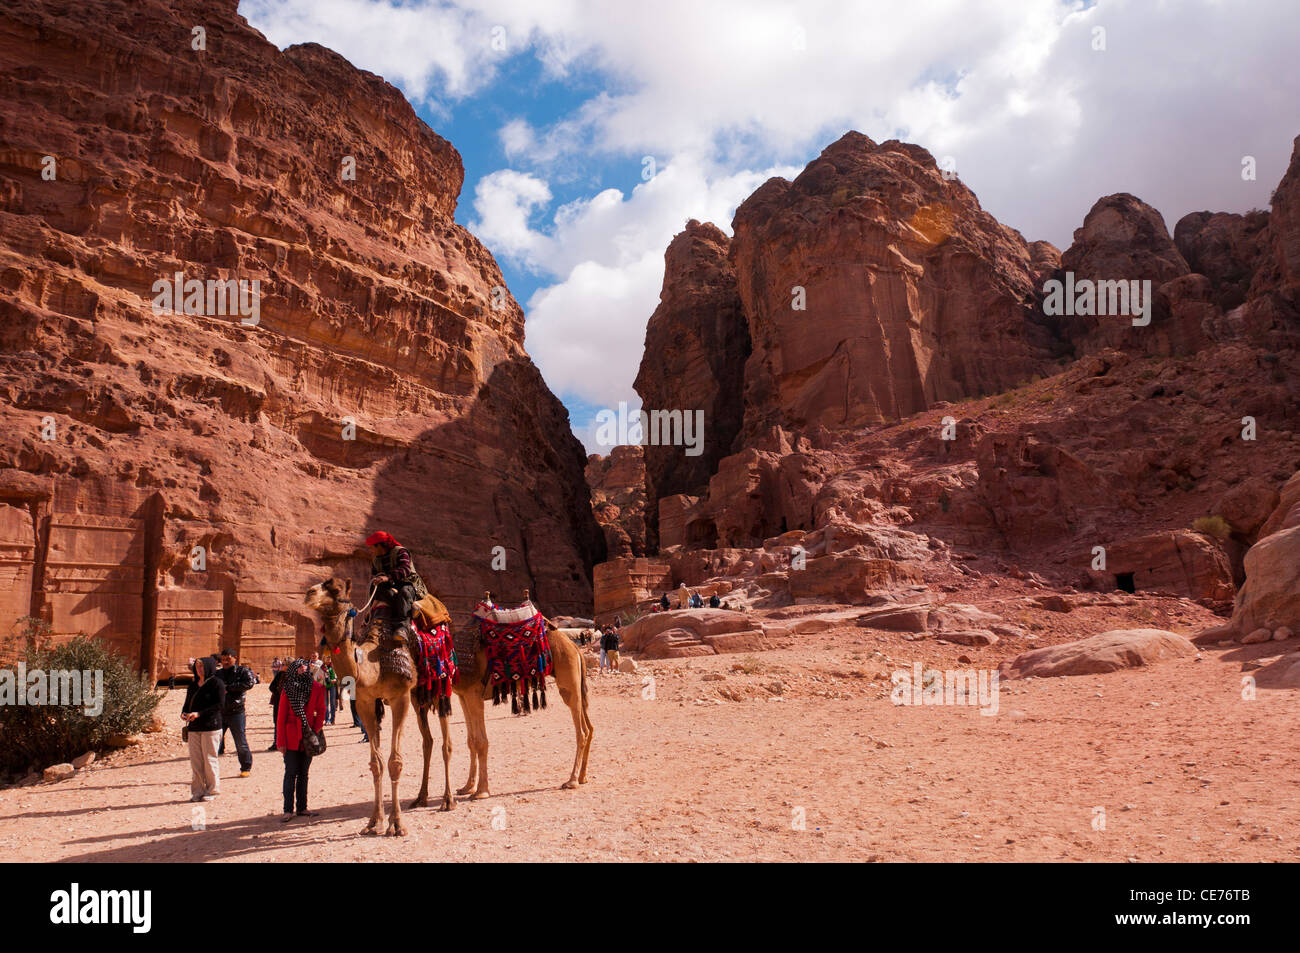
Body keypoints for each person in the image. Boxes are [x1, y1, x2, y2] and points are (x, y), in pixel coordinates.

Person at [276, 657, 327, 821]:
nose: (303, 669)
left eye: (305, 666)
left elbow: (321, 710)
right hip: (291, 737)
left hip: (308, 736)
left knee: (304, 773)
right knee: (290, 773)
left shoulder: (317, 688)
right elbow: (281, 717)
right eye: (299, 667)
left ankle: (302, 808)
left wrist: (314, 730)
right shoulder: (287, 689)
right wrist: (280, 742)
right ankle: (287, 809)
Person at [364, 530, 427, 640]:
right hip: (390, 586)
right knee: (376, 589)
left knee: (404, 592)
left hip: (408, 583)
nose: (370, 550)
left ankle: (403, 628)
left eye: (372, 547)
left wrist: (387, 577)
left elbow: (405, 569)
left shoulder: (400, 552)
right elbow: (374, 576)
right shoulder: (375, 560)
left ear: (379, 546)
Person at [181, 656, 225, 802]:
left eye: (202, 666)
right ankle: (198, 791)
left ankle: (213, 790)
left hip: (211, 727)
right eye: (197, 666)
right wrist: (184, 712)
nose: (199, 669)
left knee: (209, 759)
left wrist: (199, 714)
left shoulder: (217, 683)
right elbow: (187, 703)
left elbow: (219, 705)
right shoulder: (193, 685)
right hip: (194, 727)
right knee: (196, 761)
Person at [215, 648, 255, 777]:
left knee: (240, 741)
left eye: (228, 659)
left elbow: (249, 683)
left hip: (236, 711)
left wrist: (229, 688)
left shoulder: (243, 671)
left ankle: (246, 767)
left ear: (235, 658)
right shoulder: (218, 673)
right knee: (213, 741)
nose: (225, 662)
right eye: (223, 659)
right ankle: (210, 771)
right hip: (220, 711)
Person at [267, 658, 286, 751]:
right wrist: (280, 693)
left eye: (284, 664)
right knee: (277, 722)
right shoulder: (279, 675)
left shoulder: (295, 675)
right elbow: (271, 687)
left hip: (288, 703)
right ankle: (277, 742)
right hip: (279, 702)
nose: (282, 666)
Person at [323, 661, 338, 725]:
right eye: (327, 657)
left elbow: (338, 675)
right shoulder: (322, 666)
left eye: (329, 658)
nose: (328, 659)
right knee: (325, 703)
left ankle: (333, 719)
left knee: (332, 703)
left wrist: (336, 680)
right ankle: (327, 719)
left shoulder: (334, 666)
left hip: (333, 686)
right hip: (325, 686)